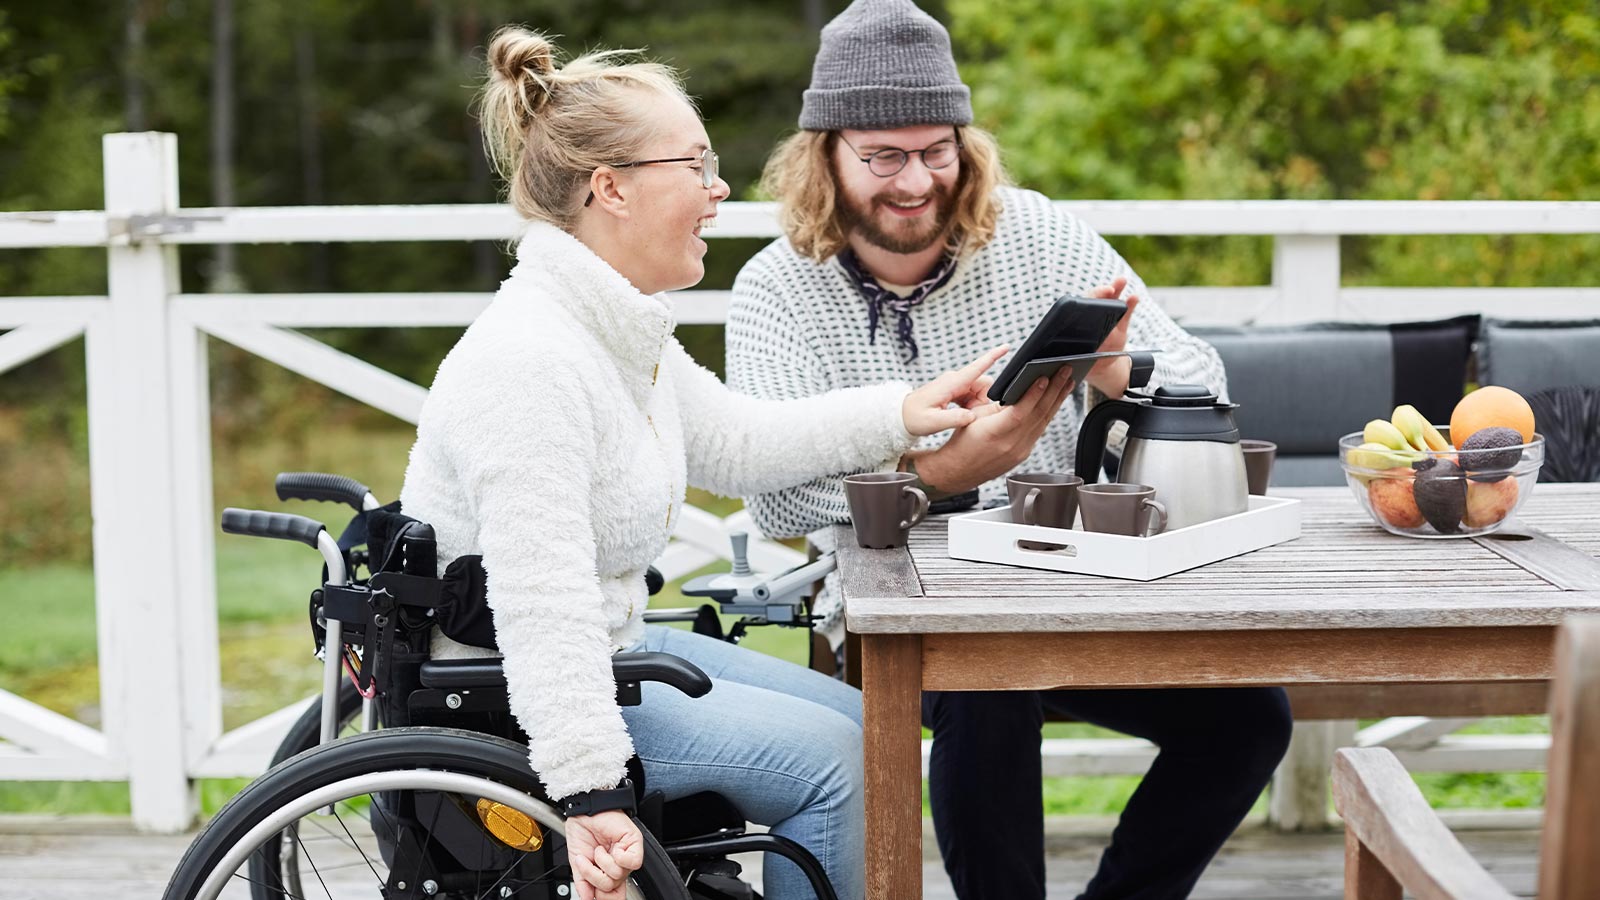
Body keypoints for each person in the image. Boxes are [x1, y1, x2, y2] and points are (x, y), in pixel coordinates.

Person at [399, 25, 1005, 900]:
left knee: (868, 726)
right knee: (844, 764)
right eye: (697, 164)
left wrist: (903, 411)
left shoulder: (611, 328)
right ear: (611, 188)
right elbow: (541, 601)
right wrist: (592, 791)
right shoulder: (531, 361)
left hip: (614, 644)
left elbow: (742, 442)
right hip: (514, 693)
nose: (721, 188)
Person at [726, 1, 1295, 898]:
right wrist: (947, 474)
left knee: (1249, 721)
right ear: (824, 156)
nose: (916, 181)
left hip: (1074, 579)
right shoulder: (776, 290)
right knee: (987, 687)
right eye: (883, 156)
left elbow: (1204, 384)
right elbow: (782, 502)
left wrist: (1117, 368)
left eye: (937, 150)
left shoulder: (1032, 232)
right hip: (898, 608)